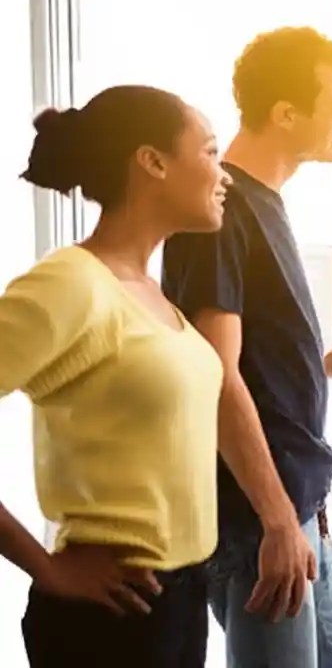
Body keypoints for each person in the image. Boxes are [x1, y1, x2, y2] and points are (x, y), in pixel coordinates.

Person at [161, 26, 332, 667]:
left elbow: (248, 370)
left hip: (298, 516)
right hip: (261, 525)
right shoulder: (221, 212)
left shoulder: (258, 204)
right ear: (285, 113)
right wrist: (276, 522)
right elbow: (214, 377)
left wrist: (328, 364)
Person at [2, 85, 228, 666]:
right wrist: (45, 565)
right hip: (112, 618)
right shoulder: (71, 282)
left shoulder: (149, 292)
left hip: (180, 601)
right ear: (151, 161)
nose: (223, 174)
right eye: (209, 153)